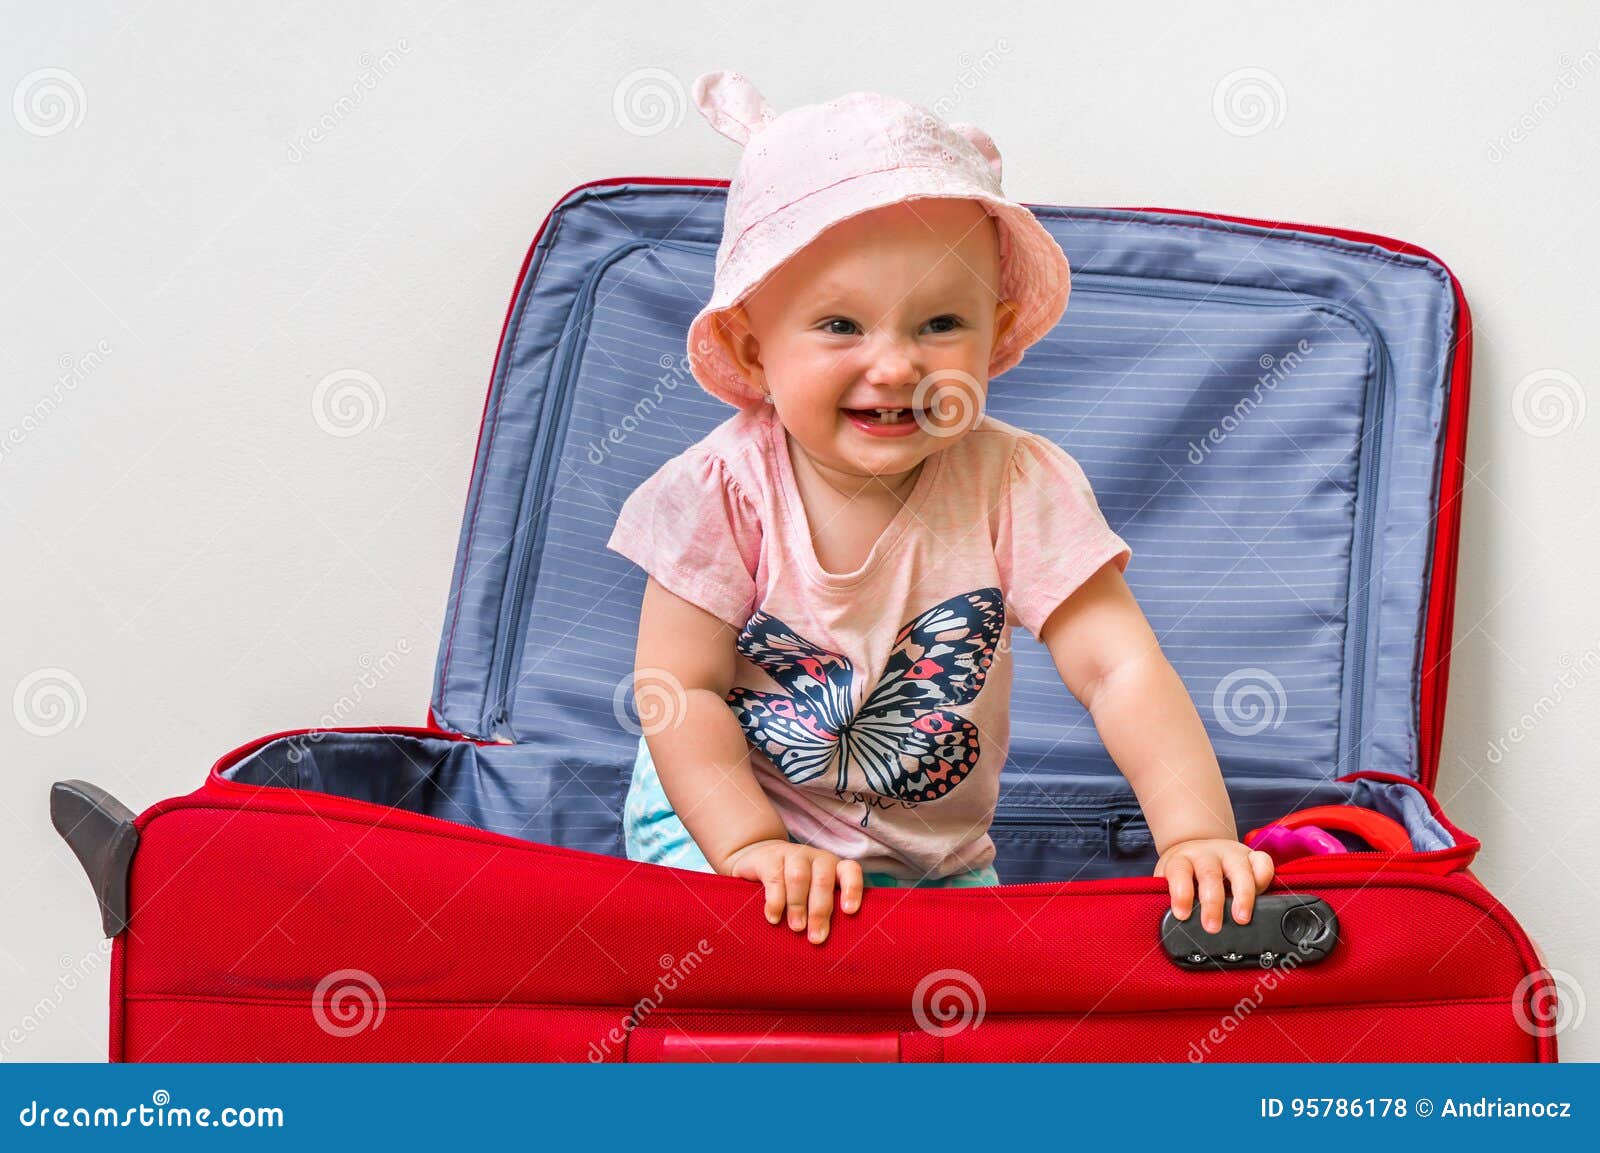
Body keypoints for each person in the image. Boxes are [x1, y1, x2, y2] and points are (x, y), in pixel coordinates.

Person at [606, 70, 1273, 945]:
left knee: (968, 1021)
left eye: (939, 325)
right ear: (750, 345)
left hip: (934, 854)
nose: (894, 368)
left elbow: (1119, 667)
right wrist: (753, 845)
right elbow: (677, 688)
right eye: (840, 325)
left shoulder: (1015, 483)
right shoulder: (724, 489)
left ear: (995, 336)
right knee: (757, 978)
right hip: (724, 818)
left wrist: (1195, 833)